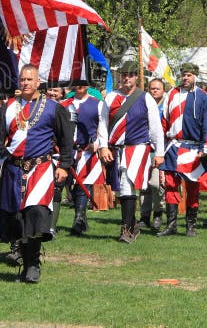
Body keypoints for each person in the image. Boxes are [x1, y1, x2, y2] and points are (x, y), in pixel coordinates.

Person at [0, 64, 74, 283]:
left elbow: (66, 140)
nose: (25, 83)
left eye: (29, 80)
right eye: (22, 79)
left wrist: (64, 165)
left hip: (40, 168)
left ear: (38, 82)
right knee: (18, 218)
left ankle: (33, 264)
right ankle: (25, 265)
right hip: (14, 169)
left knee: (35, 214)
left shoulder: (53, 108)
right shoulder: (8, 108)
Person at [101, 60, 164, 243]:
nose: (126, 78)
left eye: (130, 75)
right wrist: (104, 146)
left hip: (137, 147)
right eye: (124, 74)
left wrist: (159, 152)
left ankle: (126, 229)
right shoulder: (111, 98)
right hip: (116, 149)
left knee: (127, 183)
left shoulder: (145, 98)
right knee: (120, 188)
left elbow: (155, 128)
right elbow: (103, 124)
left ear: (136, 77)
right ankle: (133, 224)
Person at [154, 63, 207, 237]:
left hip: (195, 148)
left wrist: (206, 146)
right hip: (174, 146)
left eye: (189, 75)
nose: (185, 78)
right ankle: (171, 225)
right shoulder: (172, 94)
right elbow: (164, 121)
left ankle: (191, 226)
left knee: (192, 187)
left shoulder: (204, 97)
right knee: (171, 185)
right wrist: (160, 147)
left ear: (195, 76)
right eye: (183, 75)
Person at [60, 80, 109, 236]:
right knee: (68, 186)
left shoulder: (98, 104)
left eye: (83, 82)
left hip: (87, 151)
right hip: (67, 151)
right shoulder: (64, 104)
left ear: (88, 85)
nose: (80, 85)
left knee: (83, 186)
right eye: (77, 82)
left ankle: (78, 220)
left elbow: (103, 127)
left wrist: (97, 144)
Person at [138, 77, 167, 231]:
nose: (154, 90)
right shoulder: (143, 103)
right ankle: (144, 216)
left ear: (163, 91)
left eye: (158, 88)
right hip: (143, 148)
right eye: (152, 88)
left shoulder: (167, 107)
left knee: (156, 183)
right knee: (144, 184)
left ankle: (158, 211)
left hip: (160, 150)